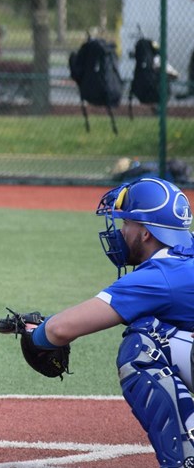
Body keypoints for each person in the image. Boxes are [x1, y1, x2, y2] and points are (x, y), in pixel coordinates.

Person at [28, 176, 194, 468]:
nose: (121, 231)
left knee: (144, 344)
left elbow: (59, 330)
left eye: (127, 223)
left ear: (145, 233)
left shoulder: (160, 276)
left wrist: (35, 334)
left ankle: (186, 459)